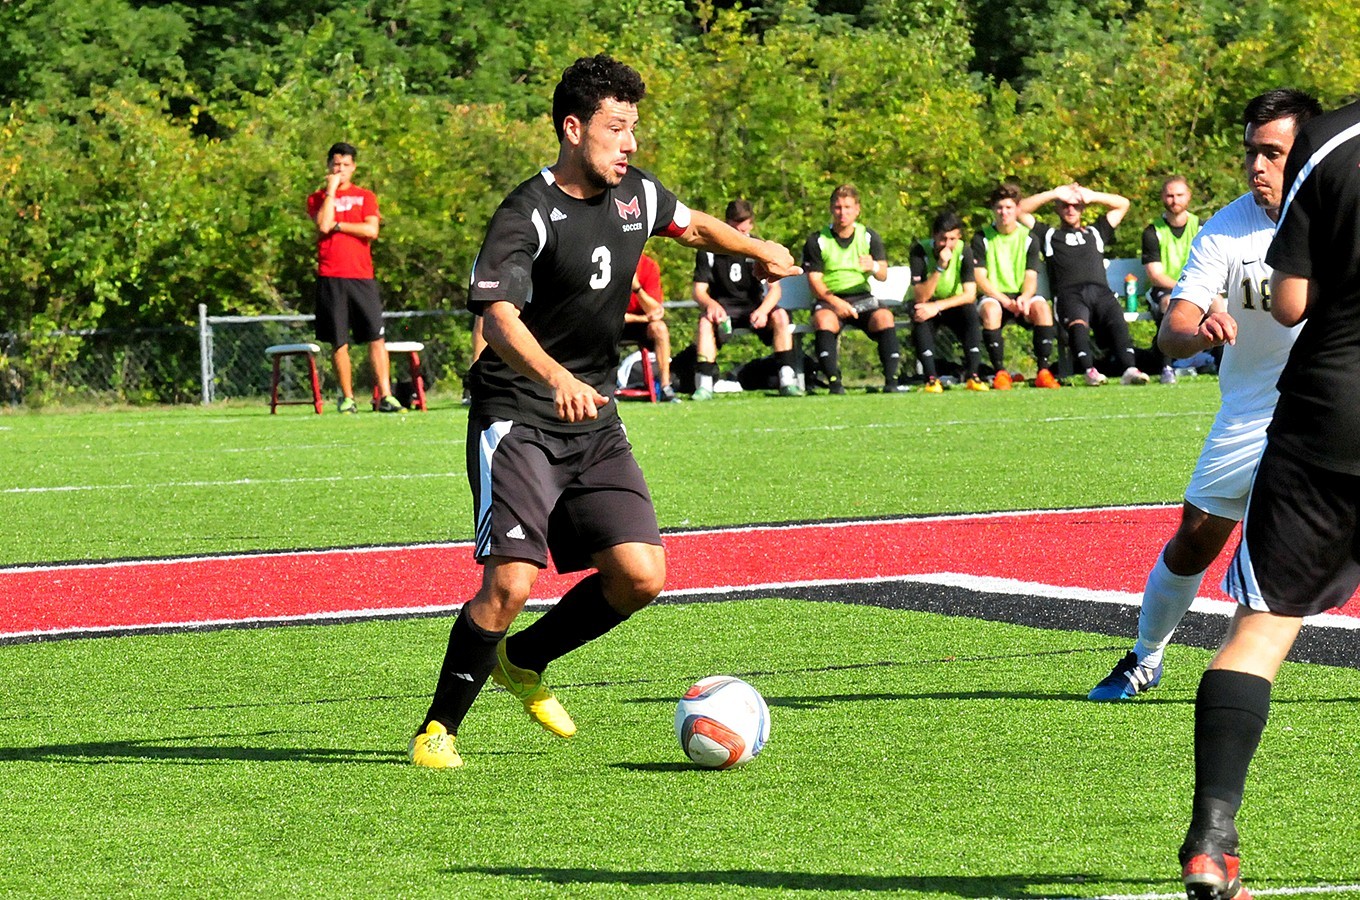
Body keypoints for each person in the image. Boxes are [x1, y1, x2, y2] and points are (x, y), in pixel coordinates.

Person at [409, 54, 800, 769]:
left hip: (593, 415)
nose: (630, 144)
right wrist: (555, 375)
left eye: (634, 130)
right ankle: (438, 730)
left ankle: (523, 661)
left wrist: (756, 249)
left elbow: (692, 226)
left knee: (641, 576)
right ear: (572, 127)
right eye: (617, 128)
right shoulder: (525, 213)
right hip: (519, 412)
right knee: (509, 585)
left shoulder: (636, 197)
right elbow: (497, 318)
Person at [1088, 89, 1322, 708]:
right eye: (1252, 153)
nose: (1257, 167)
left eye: (1273, 153)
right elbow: (1170, 335)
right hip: (1253, 410)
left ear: (1308, 150)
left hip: (1335, 405)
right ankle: (1145, 658)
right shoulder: (1226, 228)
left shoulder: (1342, 212)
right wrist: (1199, 328)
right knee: (1197, 534)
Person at [1177, 92, 1355, 900]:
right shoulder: (1227, 218)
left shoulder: (1328, 143)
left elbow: (1288, 303)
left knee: (1260, 632)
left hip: (1326, 413)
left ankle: (1212, 840)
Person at [1019, 182, 1151, 386]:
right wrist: (1053, 193)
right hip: (1069, 294)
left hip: (1100, 292)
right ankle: (1090, 371)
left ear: (1083, 208)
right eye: (1064, 205)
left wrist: (1092, 195)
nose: (1070, 209)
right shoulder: (1049, 235)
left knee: (1116, 318)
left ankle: (1130, 369)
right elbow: (1019, 210)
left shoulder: (1096, 232)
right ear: (1057, 208)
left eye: (1076, 205)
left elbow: (1123, 204)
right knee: (1078, 322)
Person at [305, 142, 402, 413]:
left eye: (346, 165)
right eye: (336, 165)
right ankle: (348, 398)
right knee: (339, 340)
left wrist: (339, 225)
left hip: (361, 275)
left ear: (354, 167)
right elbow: (323, 223)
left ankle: (385, 396)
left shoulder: (366, 196)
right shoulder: (317, 198)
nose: (341, 169)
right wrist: (332, 191)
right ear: (328, 166)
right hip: (330, 275)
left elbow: (371, 230)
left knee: (375, 336)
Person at [691, 200, 802, 399]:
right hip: (724, 309)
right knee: (704, 321)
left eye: (743, 231)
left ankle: (787, 379)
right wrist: (711, 305)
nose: (739, 236)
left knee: (781, 316)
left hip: (754, 308)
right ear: (726, 224)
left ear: (751, 224)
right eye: (734, 230)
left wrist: (763, 311)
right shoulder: (708, 250)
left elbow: (774, 290)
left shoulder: (760, 248)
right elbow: (699, 291)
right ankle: (705, 383)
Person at [802, 185, 903, 394]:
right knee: (824, 320)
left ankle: (891, 381)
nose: (842, 213)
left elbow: (883, 274)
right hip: (831, 299)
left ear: (857, 209)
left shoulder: (868, 237)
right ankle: (834, 382)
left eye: (848, 207)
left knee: (884, 317)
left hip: (862, 297)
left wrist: (873, 266)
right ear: (831, 209)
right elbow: (815, 282)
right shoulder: (817, 240)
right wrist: (838, 304)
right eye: (838, 207)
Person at [971, 183, 1061, 389]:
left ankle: (1043, 371)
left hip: (1021, 297)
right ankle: (1000, 372)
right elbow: (981, 279)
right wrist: (1005, 300)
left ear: (1017, 209)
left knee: (1042, 308)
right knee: (991, 310)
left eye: (1009, 208)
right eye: (1000, 208)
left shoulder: (1029, 238)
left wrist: (1025, 297)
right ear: (993, 210)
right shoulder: (981, 237)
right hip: (995, 296)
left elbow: (1031, 276)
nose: (1004, 213)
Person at [907, 210, 989, 392]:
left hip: (950, 303)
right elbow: (921, 296)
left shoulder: (964, 251)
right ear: (934, 236)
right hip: (927, 301)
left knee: (970, 313)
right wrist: (939, 268)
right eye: (943, 239)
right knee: (920, 313)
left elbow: (970, 294)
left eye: (953, 239)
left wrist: (937, 306)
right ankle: (931, 378)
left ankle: (973, 375)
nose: (947, 244)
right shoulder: (919, 251)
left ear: (959, 237)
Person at [1142, 176, 1202, 384]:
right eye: (1169, 195)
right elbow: (1155, 275)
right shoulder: (1153, 231)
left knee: (1218, 303)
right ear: (1162, 198)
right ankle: (1166, 366)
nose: (1174, 200)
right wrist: (1183, 289)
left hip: (1197, 286)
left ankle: (1223, 363)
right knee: (1169, 303)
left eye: (1179, 195)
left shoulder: (1201, 227)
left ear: (1188, 197)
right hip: (1164, 289)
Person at [623, 252, 676, 401]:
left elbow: (656, 311)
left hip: (639, 325)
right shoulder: (610, 262)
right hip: (612, 323)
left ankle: (665, 386)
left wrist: (637, 288)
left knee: (659, 328)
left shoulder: (648, 265)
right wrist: (642, 318)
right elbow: (608, 313)